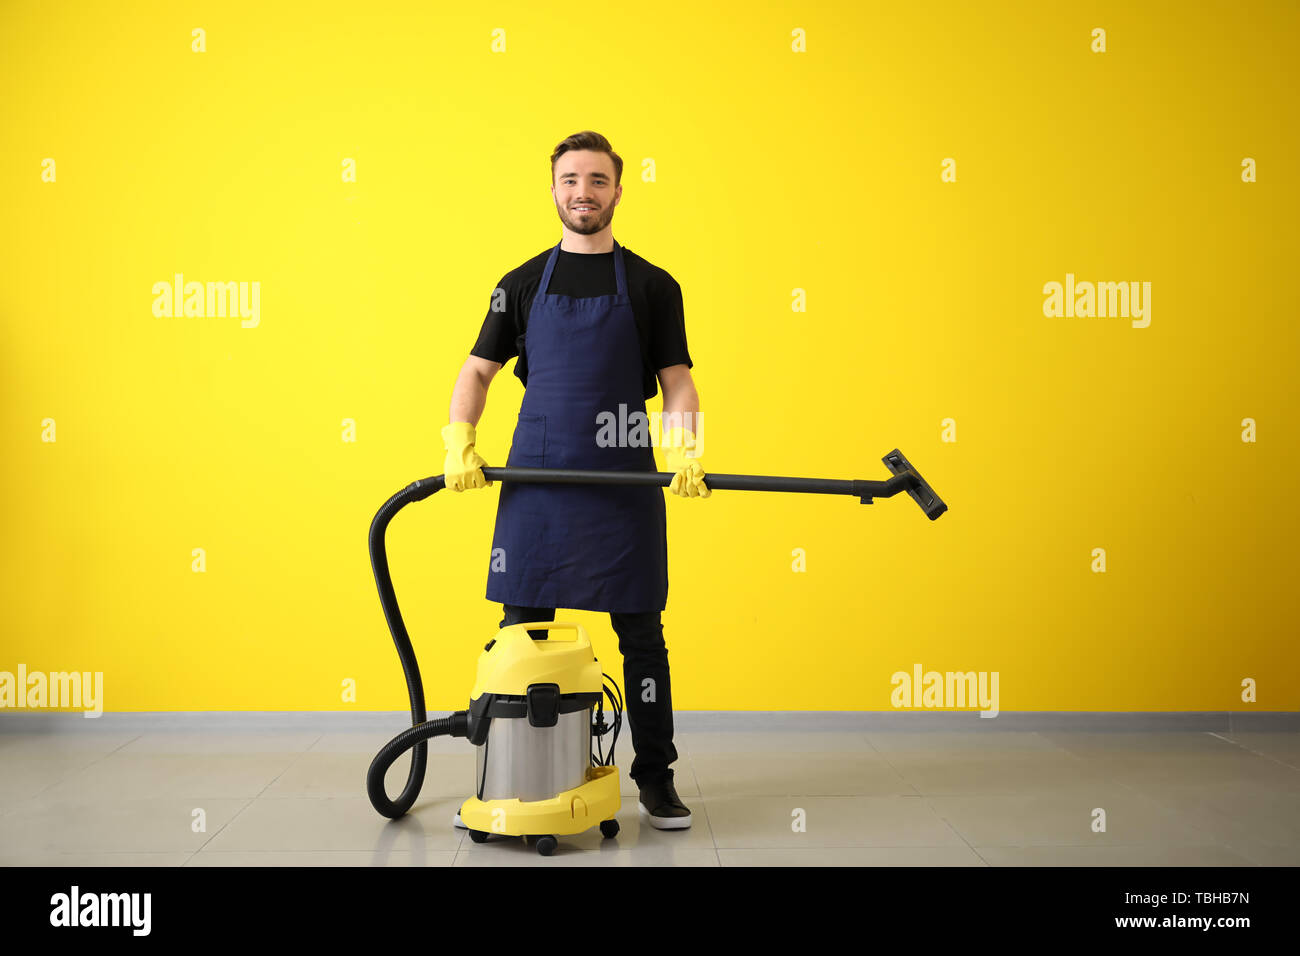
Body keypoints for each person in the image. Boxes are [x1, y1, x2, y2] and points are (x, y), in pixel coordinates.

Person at [440, 130, 708, 830]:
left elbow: (678, 383)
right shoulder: (521, 284)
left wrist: (685, 451)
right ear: (553, 188)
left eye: (596, 180)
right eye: (569, 180)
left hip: (623, 486)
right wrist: (459, 439)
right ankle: (516, 773)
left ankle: (657, 777)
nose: (582, 193)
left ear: (618, 190)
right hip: (538, 482)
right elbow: (477, 371)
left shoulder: (654, 285)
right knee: (519, 633)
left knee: (642, 637)